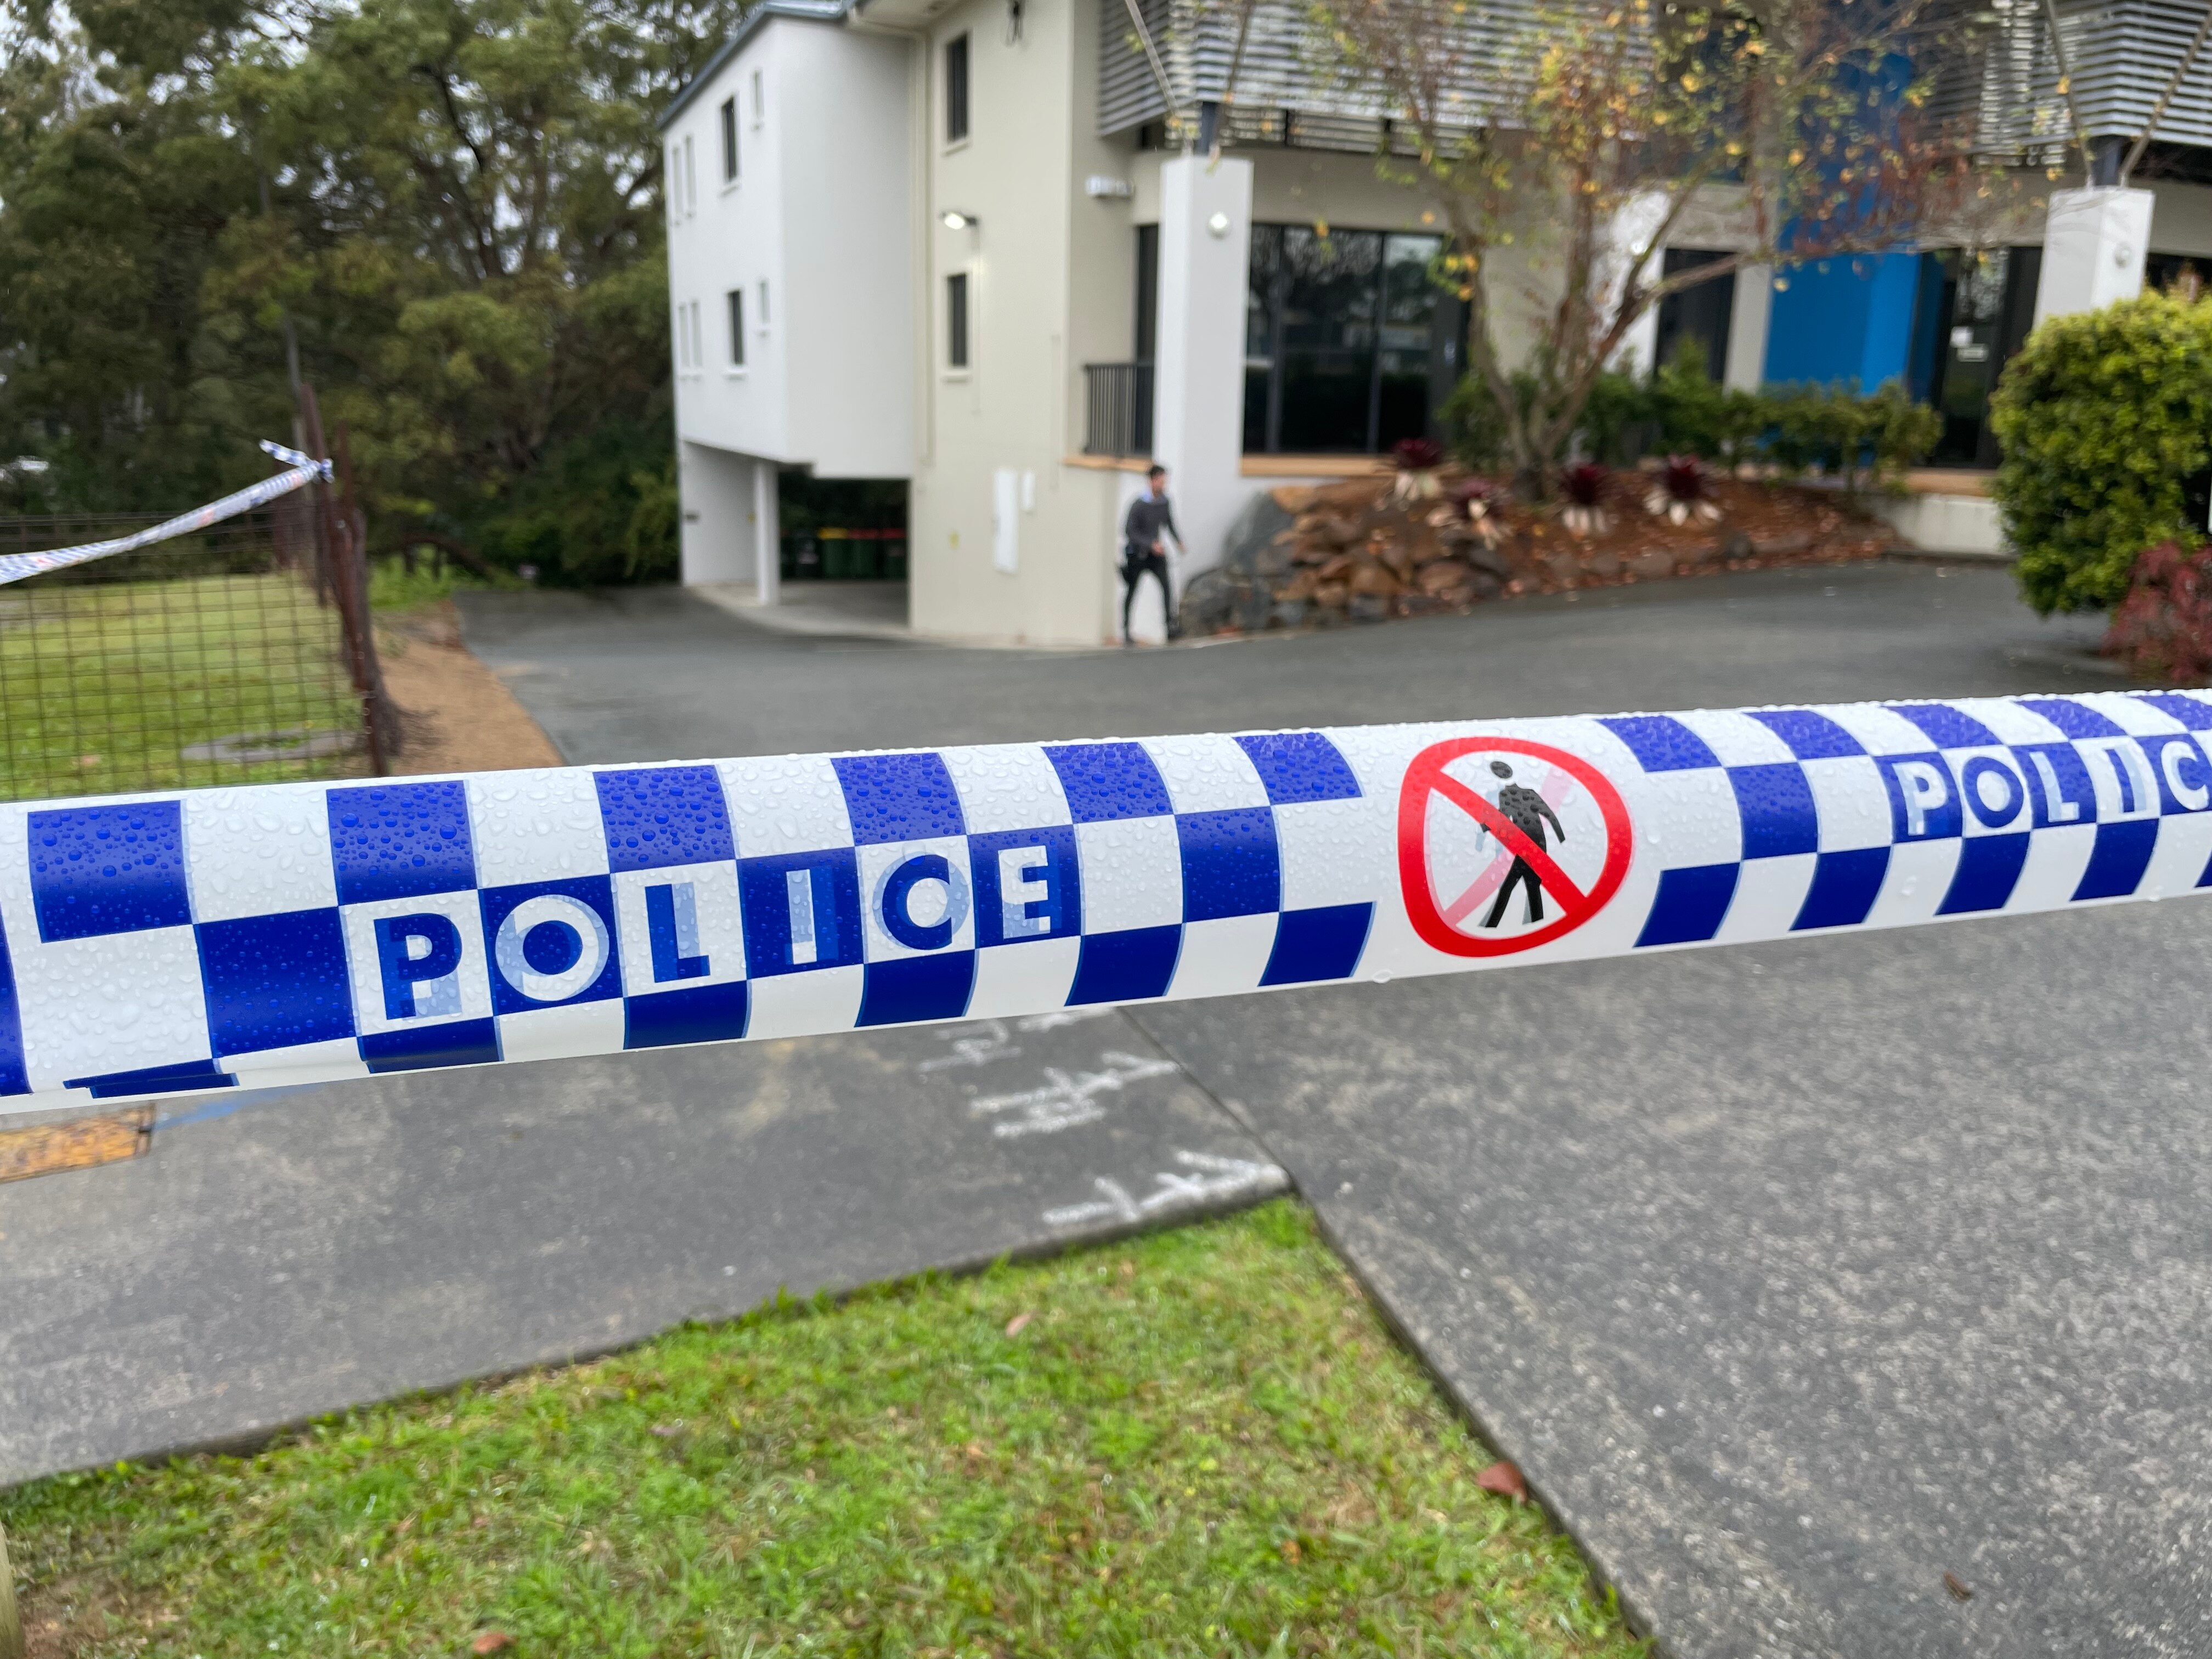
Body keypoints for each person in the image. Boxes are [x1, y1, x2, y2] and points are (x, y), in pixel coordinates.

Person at [1482, 760, 1566, 928]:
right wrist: (1561, 839)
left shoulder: (1506, 795)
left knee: (1509, 887)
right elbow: (1551, 816)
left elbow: (1503, 817)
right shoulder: (1530, 793)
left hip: (1526, 846)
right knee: (1532, 885)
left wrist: (1485, 826)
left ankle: (1492, 926)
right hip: (1539, 845)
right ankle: (1537, 923)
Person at [1120, 464, 1182, 645]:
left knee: (1167, 587)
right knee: (1132, 591)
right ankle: (1126, 630)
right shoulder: (1139, 505)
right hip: (1138, 555)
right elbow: (1129, 531)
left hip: (1156, 555)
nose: (1164, 485)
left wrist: (1178, 541)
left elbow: (1169, 524)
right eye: (1161, 481)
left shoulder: (1164, 502)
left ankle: (1170, 627)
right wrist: (1149, 543)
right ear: (1153, 481)